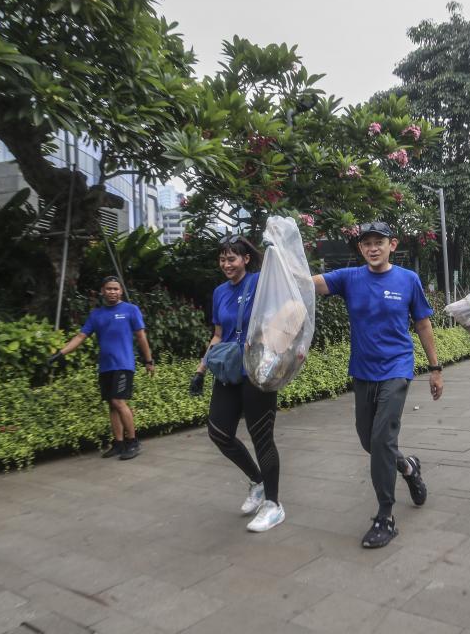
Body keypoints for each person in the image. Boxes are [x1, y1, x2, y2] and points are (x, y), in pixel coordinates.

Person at [312, 221, 442, 548]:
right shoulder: (349, 278)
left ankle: (386, 515)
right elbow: (309, 283)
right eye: (366, 243)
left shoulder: (407, 280)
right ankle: (408, 466)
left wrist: (435, 368)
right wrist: (278, 264)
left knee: (383, 437)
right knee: (370, 442)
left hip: (397, 367)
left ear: (392, 245)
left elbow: (423, 323)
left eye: (379, 242)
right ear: (360, 249)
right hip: (363, 371)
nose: (373, 248)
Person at [188, 235, 285, 533]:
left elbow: (285, 297)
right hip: (228, 370)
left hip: (257, 371)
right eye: (222, 259)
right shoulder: (219, 292)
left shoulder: (259, 282)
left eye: (232, 258)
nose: (226, 264)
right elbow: (218, 334)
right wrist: (201, 370)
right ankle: (257, 481)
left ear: (245, 259)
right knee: (219, 432)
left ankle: (273, 504)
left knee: (262, 438)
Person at [48, 276, 154, 460]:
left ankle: (133, 441)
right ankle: (118, 443)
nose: (112, 292)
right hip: (105, 367)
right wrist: (61, 353)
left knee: (119, 402)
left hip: (124, 364)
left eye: (116, 289)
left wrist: (149, 361)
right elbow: (81, 336)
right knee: (111, 405)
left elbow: (141, 337)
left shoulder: (130, 310)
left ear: (121, 291)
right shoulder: (96, 314)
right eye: (108, 289)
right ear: (102, 291)